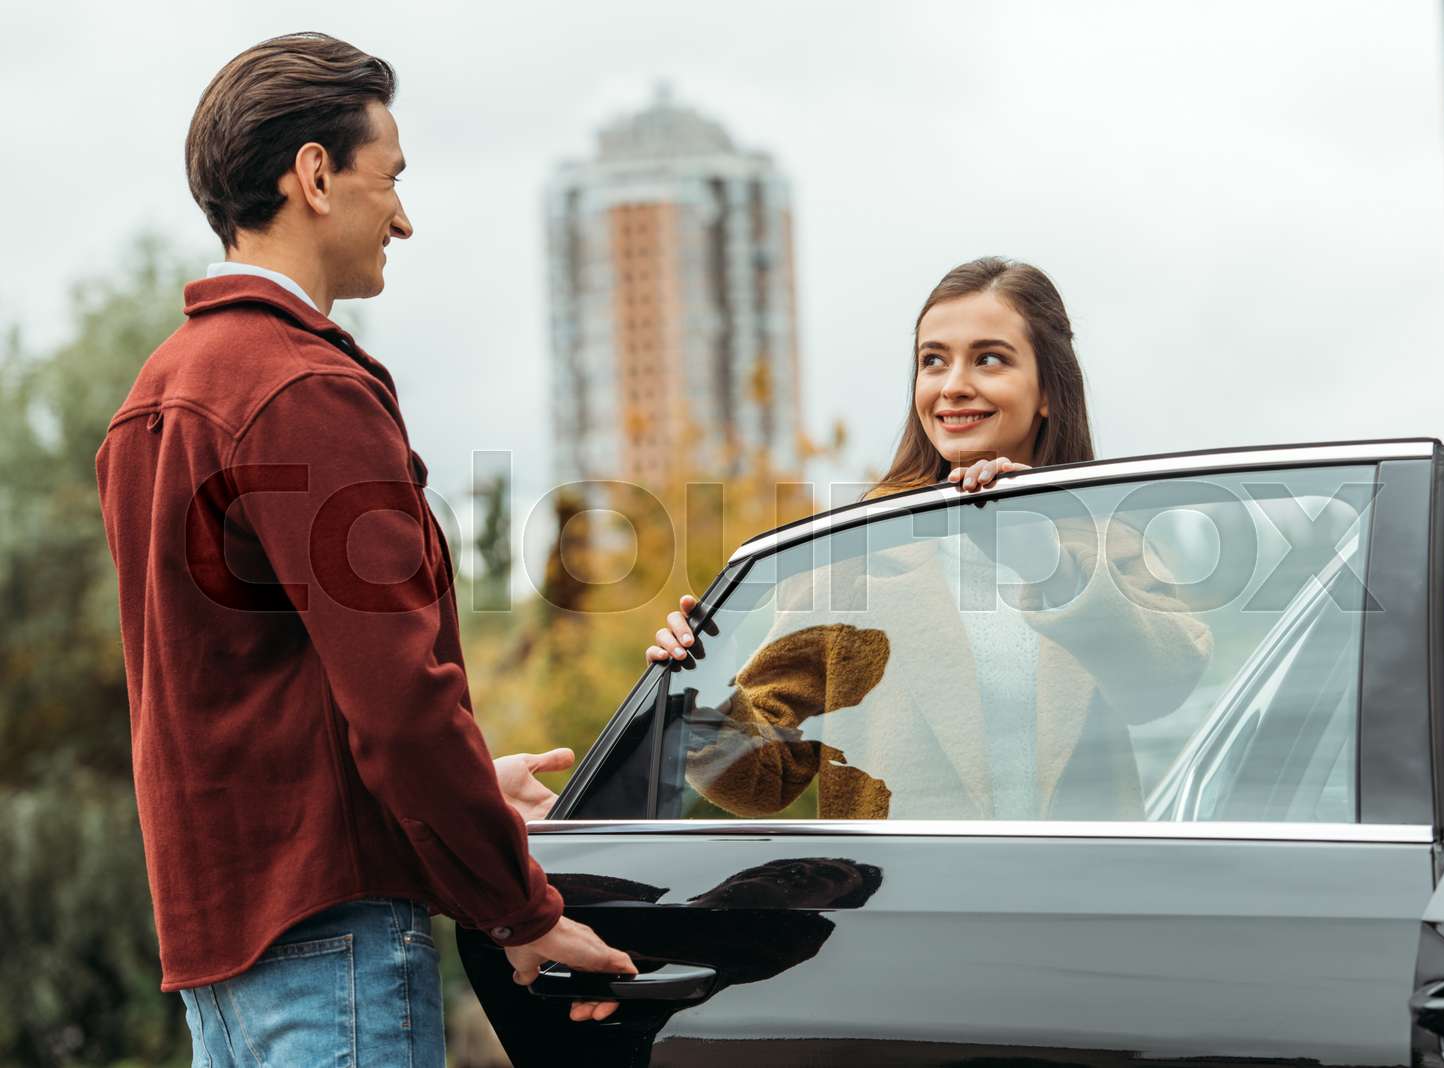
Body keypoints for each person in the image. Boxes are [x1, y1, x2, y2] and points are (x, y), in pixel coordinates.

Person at [95, 33, 632, 1066]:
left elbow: (254, 696)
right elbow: (398, 702)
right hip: (330, 949)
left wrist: (468, 781)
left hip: (229, 967)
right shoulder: (303, 388)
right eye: (389, 180)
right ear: (314, 176)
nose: (403, 217)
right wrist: (519, 913)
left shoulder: (157, 395)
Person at [646, 257, 1213, 819]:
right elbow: (763, 782)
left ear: (1047, 390)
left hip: (1080, 901)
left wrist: (1046, 560)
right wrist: (702, 687)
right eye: (933, 361)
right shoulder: (858, 546)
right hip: (905, 901)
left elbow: (1159, 685)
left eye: (989, 359)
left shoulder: (1102, 532)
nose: (954, 386)